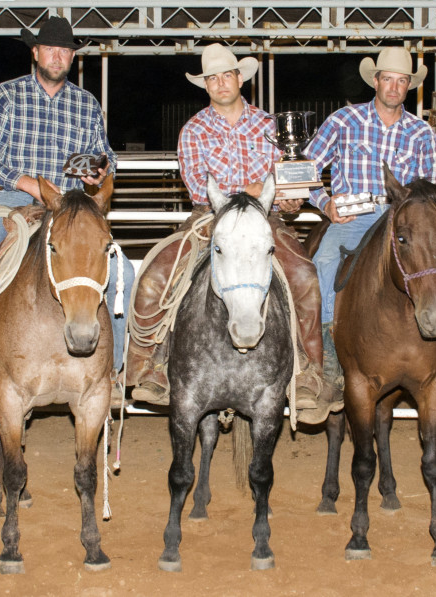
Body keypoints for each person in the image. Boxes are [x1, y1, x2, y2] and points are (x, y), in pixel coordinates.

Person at [126, 44, 337, 425]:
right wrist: (258, 188)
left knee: (304, 276)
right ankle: (149, 362)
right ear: (205, 85)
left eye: (227, 75)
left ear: (240, 79)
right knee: (159, 273)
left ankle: (309, 372)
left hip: (264, 218)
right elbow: (197, 188)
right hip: (211, 216)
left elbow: (286, 180)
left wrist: (288, 200)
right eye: (212, 78)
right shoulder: (194, 129)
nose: (221, 83)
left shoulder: (271, 125)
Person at [0, 17, 134, 403]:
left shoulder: (86, 104)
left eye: (65, 50)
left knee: (121, 272)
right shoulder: (7, 96)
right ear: (36, 52)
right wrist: (26, 182)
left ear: (72, 57)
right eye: (50, 48)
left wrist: (100, 171)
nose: (58, 56)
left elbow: (106, 155)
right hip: (12, 201)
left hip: (69, 206)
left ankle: (113, 372)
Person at [302, 46, 436, 413]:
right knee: (321, 265)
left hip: (406, 223)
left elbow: (430, 192)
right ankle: (330, 369)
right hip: (355, 216)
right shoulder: (343, 121)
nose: (395, 87)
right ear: (376, 81)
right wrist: (326, 204)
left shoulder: (421, 132)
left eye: (402, 81)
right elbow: (305, 170)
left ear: (408, 86)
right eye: (389, 79)